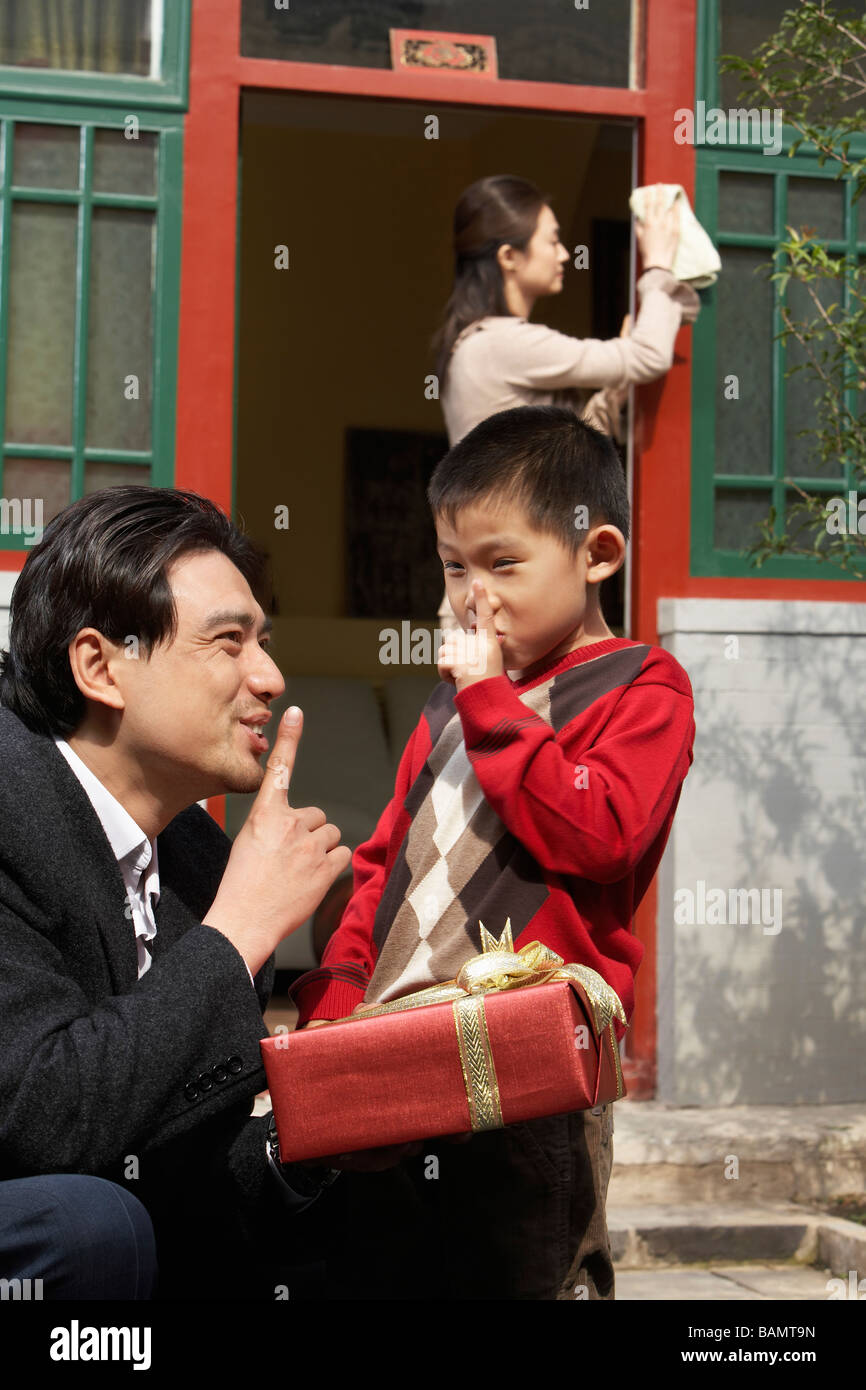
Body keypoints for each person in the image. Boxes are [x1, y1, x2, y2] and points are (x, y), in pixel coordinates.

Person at [291, 405, 696, 1300]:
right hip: (396, 1049)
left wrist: (490, 704)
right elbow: (381, 869)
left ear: (597, 555)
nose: (475, 596)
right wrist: (338, 1000)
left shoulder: (642, 689)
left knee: (528, 1268)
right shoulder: (447, 708)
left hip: (530, 1067)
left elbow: (598, 834)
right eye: (453, 567)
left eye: (504, 564)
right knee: (385, 1270)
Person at [0, 485, 416, 1301]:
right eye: (228, 642)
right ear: (100, 666)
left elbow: (178, 1154)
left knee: (386, 1196)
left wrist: (321, 1133)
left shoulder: (199, 857)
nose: (269, 675)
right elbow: (37, 1119)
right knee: (88, 1227)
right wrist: (234, 937)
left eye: (263, 640)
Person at [430, 174, 701, 630]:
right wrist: (657, 267)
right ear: (509, 257)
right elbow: (647, 357)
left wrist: (618, 375)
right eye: (553, 241)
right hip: (502, 593)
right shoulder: (501, 344)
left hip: (502, 588)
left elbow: (566, 443)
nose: (563, 254)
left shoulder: (478, 342)